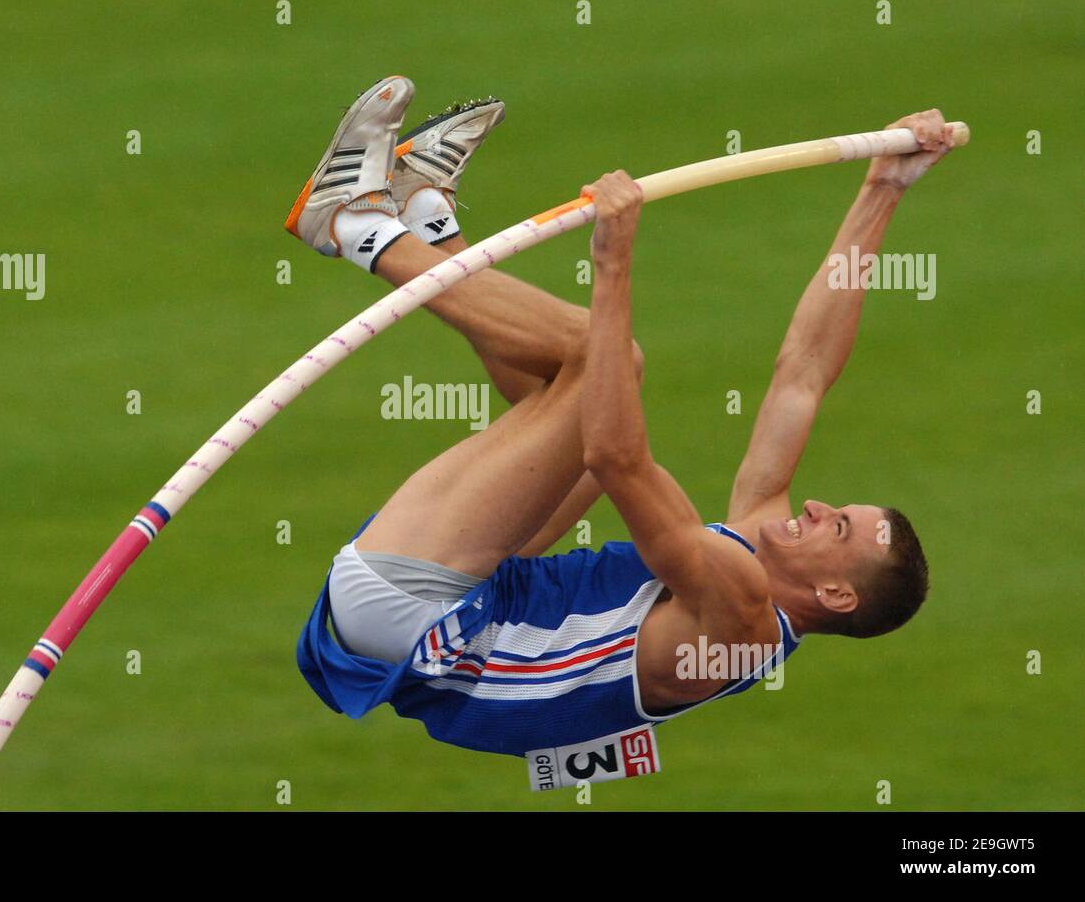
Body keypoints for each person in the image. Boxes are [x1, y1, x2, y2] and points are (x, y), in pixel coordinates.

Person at [286, 76, 946, 787]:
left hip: (417, 617)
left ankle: (356, 227)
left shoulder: (740, 620)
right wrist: (884, 188)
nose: (818, 507)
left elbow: (617, 457)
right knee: (585, 387)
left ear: (837, 596)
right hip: (472, 591)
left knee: (606, 362)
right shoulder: (759, 547)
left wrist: (613, 261)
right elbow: (804, 373)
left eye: (838, 528)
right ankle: (429, 219)